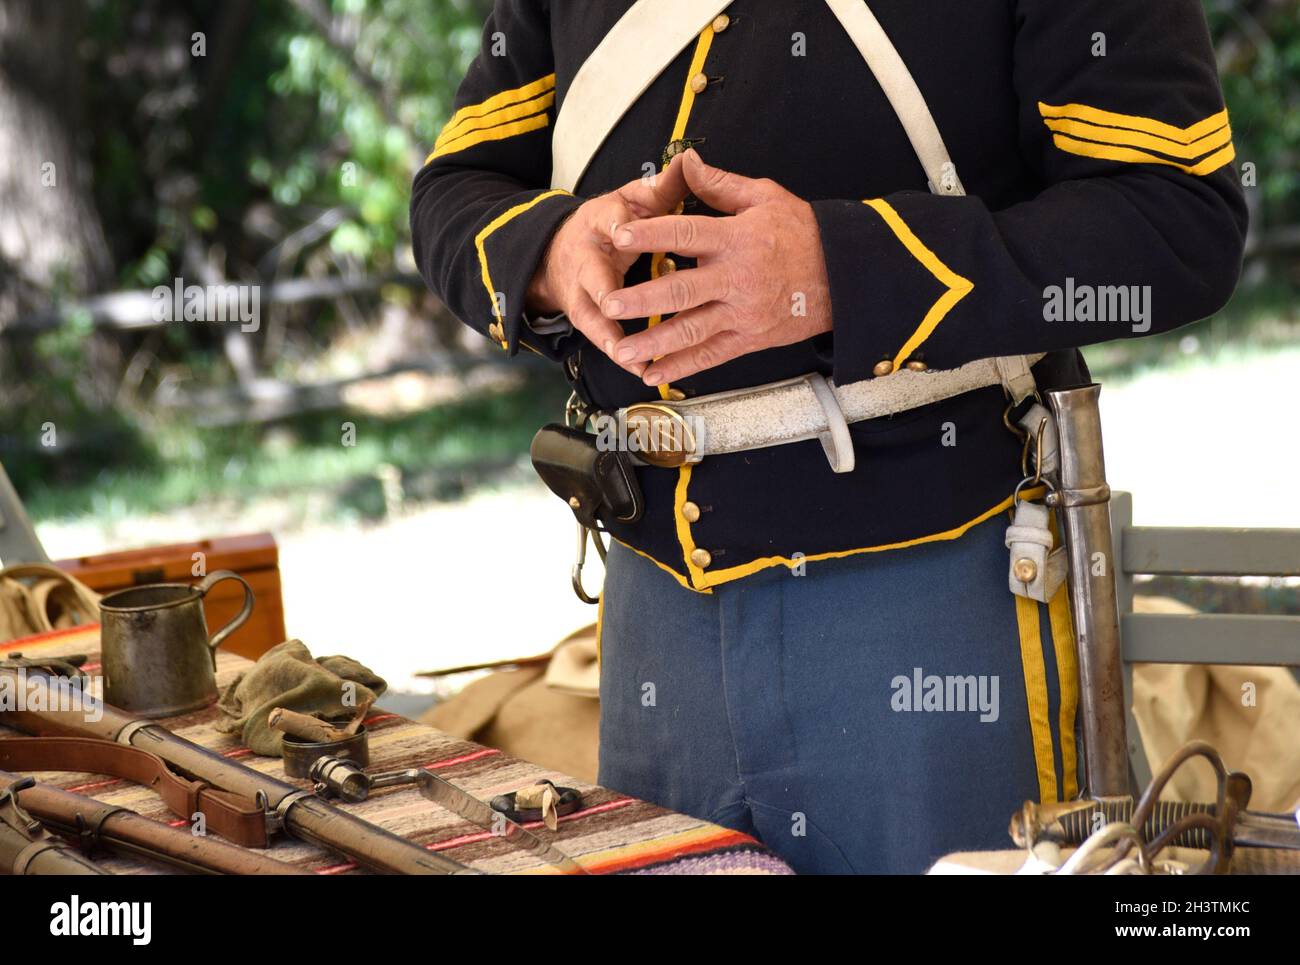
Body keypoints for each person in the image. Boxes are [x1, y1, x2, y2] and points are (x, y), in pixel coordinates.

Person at [410, 1, 1246, 873]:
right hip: (655, 613)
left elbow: (1177, 219)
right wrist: (550, 250)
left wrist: (840, 269)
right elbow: (456, 188)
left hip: (935, 590)